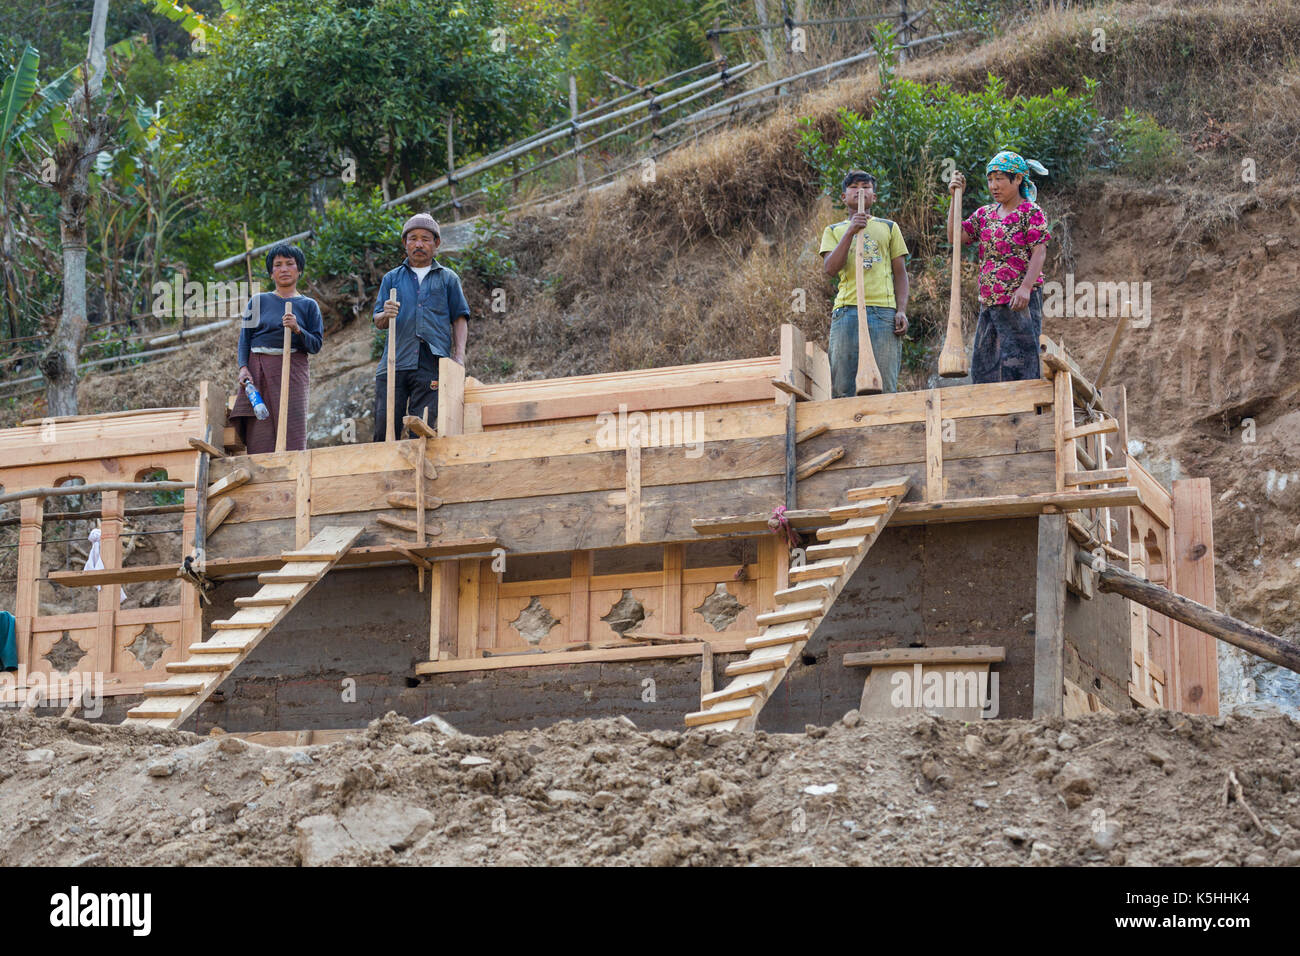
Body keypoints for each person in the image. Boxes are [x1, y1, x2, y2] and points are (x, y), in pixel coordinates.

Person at [947, 152, 1052, 383]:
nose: (994, 186)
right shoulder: (985, 214)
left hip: (1018, 302)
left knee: (1020, 363)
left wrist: (1025, 288)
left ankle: (1024, 413)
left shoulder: (1030, 213)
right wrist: (956, 198)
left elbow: (1039, 251)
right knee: (986, 367)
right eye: (990, 179)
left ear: (1017, 180)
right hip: (989, 301)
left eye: (1000, 179)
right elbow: (956, 236)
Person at [372, 213, 470, 441]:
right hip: (394, 361)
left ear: (436, 244)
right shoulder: (391, 279)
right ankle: (385, 475)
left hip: (432, 361)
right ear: (405, 243)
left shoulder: (448, 279)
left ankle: (420, 474)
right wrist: (386, 313)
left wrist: (459, 356)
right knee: (384, 430)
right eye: (413, 238)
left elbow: (460, 318)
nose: (419, 244)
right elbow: (378, 321)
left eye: (425, 239)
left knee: (424, 429)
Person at [819, 169, 910, 396]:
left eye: (866, 187)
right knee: (843, 386)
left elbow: (900, 273)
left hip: (883, 313)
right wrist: (851, 230)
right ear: (843, 197)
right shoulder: (833, 231)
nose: (860, 191)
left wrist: (901, 310)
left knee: (885, 386)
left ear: (874, 197)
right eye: (854, 187)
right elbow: (830, 268)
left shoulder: (889, 227)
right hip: (847, 312)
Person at [232, 243, 324, 453]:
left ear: (299, 270)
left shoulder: (309, 305)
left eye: (290, 264)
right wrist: (243, 367)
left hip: (293, 370)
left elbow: (316, 345)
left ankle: (291, 478)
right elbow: (244, 338)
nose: (284, 269)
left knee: (293, 425)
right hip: (259, 369)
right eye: (278, 265)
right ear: (271, 273)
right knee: (260, 428)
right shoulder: (258, 301)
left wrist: (297, 329)